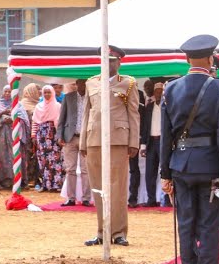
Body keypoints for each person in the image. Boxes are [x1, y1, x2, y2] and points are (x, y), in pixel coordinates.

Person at [159, 34, 219, 264]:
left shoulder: (170, 88)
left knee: (186, 227)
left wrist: (165, 172)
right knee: (208, 229)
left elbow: (166, 135)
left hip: (180, 166)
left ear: (187, 59)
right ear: (210, 57)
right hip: (211, 166)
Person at [83, 45, 140, 247]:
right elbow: (86, 114)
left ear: (119, 62)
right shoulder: (91, 83)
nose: (108, 64)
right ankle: (101, 231)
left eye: (112, 60)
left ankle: (118, 232)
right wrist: (83, 142)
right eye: (105, 60)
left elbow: (134, 114)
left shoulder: (128, 83)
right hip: (94, 139)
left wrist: (133, 142)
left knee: (117, 187)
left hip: (117, 140)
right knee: (97, 188)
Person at [57, 79, 90, 206]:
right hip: (70, 137)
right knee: (70, 169)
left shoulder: (91, 98)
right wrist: (59, 135)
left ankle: (86, 198)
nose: (82, 86)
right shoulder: (68, 97)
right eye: (80, 83)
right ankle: (71, 198)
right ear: (76, 84)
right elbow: (62, 118)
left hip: (86, 138)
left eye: (84, 84)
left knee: (85, 169)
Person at [136, 79, 165, 207]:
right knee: (150, 173)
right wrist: (143, 145)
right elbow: (145, 128)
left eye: (160, 92)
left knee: (165, 171)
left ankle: (167, 200)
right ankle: (151, 199)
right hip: (151, 143)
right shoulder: (149, 107)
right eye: (156, 92)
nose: (158, 94)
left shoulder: (167, 107)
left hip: (163, 142)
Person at [32, 85, 64, 193]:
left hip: (53, 134)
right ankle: (46, 184)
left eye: (49, 92)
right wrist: (33, 136)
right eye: (45, 92)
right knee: (43, 160)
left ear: (53, 93)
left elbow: (60, 123)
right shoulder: (38, 106)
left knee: (55, 159)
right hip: (41, 135)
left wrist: (60, 136)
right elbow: (35, 122)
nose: (47, 95)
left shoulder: (58, 106)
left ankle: (57, 184)